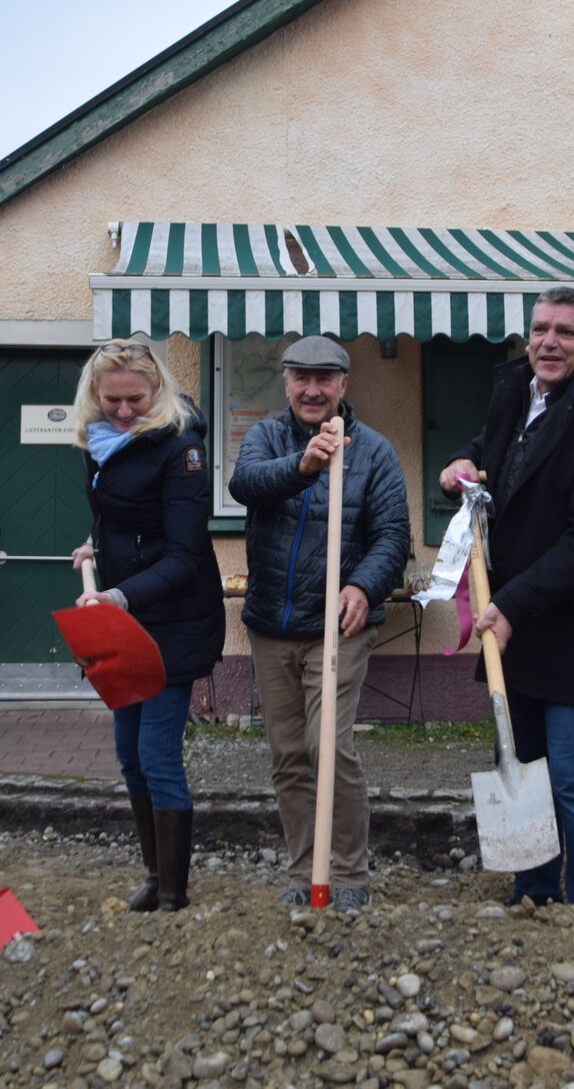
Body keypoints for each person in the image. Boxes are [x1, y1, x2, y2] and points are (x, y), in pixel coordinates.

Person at [439, 286, 574, 911]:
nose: (548, 342)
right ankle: (533, 890)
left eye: (565, 332)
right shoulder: (519, 394)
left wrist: (512, 605)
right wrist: (464, 463)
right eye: (540, 330)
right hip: (520, 625)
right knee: (521, 766)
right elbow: (491, 454)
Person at [230, 336, 411, 911]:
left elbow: (392, 536)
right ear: (286, 384)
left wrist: (364, 584)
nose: (312, 390)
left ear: (343, 386)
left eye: (324, 379)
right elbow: (246, 485)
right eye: (301, 378)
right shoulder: (265, 438)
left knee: (328, 746)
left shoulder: (375, 453)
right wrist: (305, 465)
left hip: (337, 625)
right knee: (288, 754)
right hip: (270, 623)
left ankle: (350, 872)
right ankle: (304, 868)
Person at [69, 339, 225, 913]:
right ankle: (154, 872)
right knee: (128, 752)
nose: (124, 410)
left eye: (135, 398)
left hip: (173, 620)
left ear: (157, 389)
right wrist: (96, 546)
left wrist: (117, 593)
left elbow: (182, 554)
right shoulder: (100, 442)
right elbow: (126, 520)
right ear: (95, 393)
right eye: (112, 399)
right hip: (125, 616)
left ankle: (173, 891)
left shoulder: (180, 447)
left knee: (157, 753)